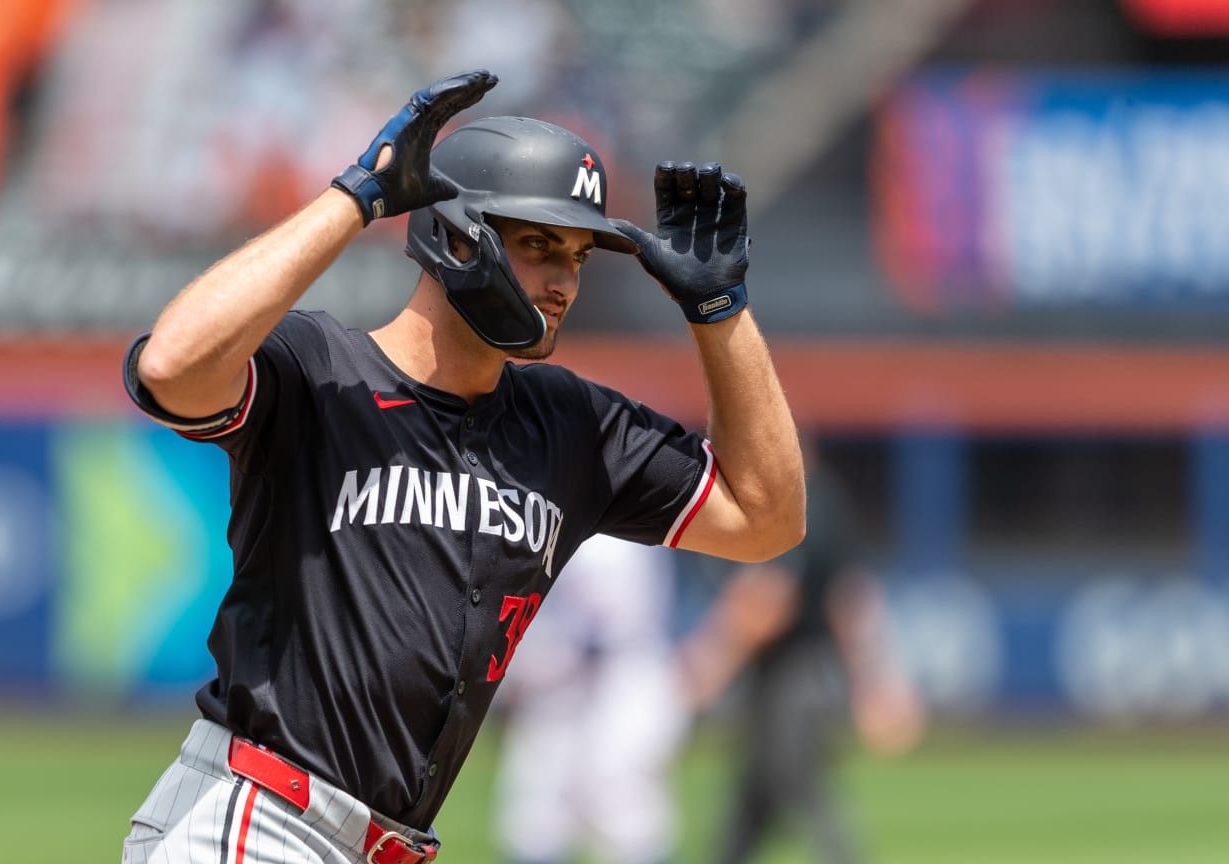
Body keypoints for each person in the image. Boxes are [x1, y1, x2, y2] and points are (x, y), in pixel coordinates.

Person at [118, 68, 806, 864]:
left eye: (578, 256)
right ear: (454, 233)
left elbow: (768, 520)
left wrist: (721, 315)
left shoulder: (570, 424)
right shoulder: (321, 373)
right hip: (262, 817)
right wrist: (356, 197)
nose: (563, 282)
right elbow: (169, 368)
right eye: (539, 243)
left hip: (381, 844)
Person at [680, 454, 924, 864]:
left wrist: (709, 666)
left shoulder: (801, 502)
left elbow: (776, 602)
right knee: (756, 794)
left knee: (795, 781)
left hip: (798, 673)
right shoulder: (807, 496)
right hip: (772, 674)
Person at [492, 534, 690, 864]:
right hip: (556, 695)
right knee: (535, 820)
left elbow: (599, 632)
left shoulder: (618, 539)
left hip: (620, 691)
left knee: (628, 821)